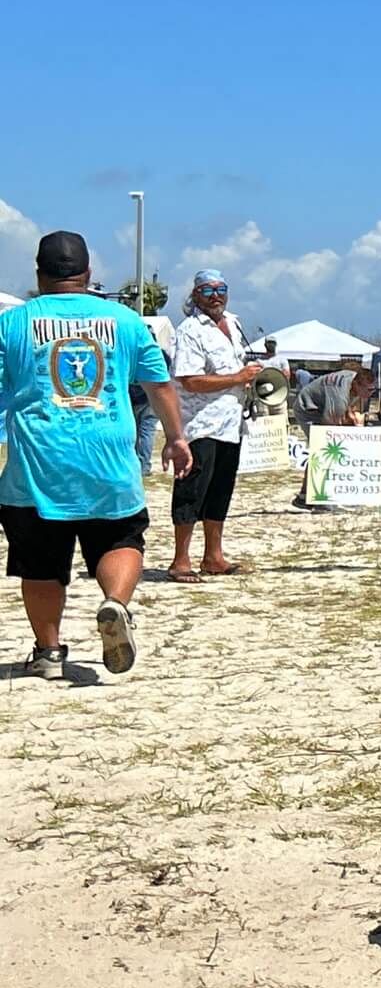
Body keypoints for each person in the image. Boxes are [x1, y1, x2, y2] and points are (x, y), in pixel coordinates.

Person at [1, 232, 193, 679]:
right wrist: (176, 438)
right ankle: (114, 604)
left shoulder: (12, 324)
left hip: (37, 467)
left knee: (40, 564)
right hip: (109, 464)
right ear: (88, 275)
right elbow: (160, 384)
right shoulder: (125, 321)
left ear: (38, 275)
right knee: (120, 540)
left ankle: (48, 653)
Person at [169, 269, 258, 582]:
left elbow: (239, 369)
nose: (215, 296)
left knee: (221, 490)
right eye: (207, 290)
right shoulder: (190, 330)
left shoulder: (234, 323)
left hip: (231, 423)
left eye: (221, 289)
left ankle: (213, 557)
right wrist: (237, 378)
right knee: (191, 490)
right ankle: (180, 560)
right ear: (195, 295)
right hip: (200, 424)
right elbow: (189, 380)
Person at [290, 365, 373, 512]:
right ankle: (322, 500)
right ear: (356, 384)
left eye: (373, 390)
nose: (370, 393)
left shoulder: (353, 376)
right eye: (368, 390)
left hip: (322, 406)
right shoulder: (338, 399)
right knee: (324, 450)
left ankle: (303, 497)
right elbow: (329, 433)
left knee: (321, 451)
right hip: (308, 409)